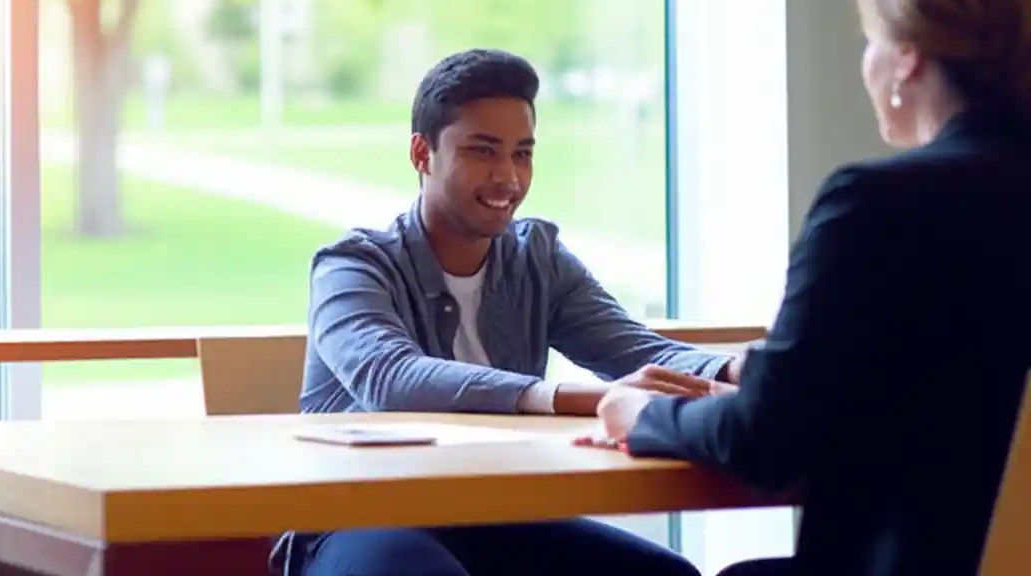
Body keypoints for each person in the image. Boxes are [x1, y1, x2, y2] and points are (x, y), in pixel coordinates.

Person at [583, 0, 1031, 576]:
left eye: (871, 39)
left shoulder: (880, 204)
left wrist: (644, 414)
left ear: (907, 55)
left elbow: (767, 443)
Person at [275, 48, 740, 576]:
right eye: (483, 151)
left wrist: (742, 371)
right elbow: (391, 377)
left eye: (522, 153)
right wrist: (593, 399)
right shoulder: (352, 267)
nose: (508, 178)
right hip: (360, 515)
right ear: (421, 154)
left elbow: (637, 351)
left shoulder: (536, 258)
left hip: (495, 513)